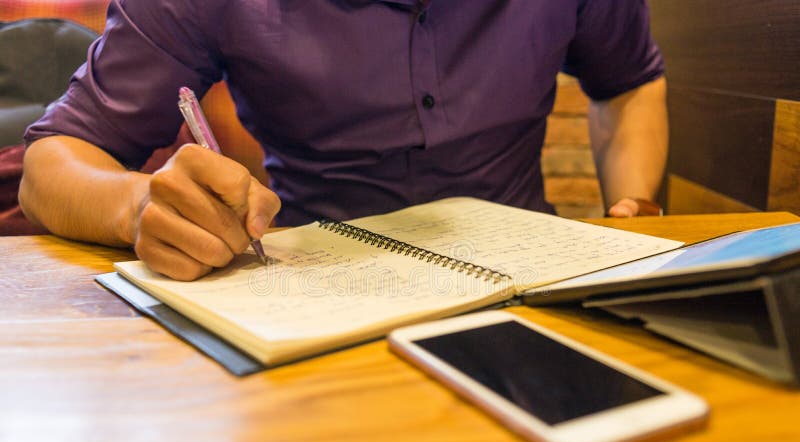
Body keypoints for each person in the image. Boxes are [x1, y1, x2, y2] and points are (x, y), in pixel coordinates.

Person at [20, 0, 668, 281]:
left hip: (534, 283)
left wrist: (635, 204)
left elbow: (629, 83)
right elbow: (51, 165)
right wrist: (138, 207)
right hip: (311, 287)